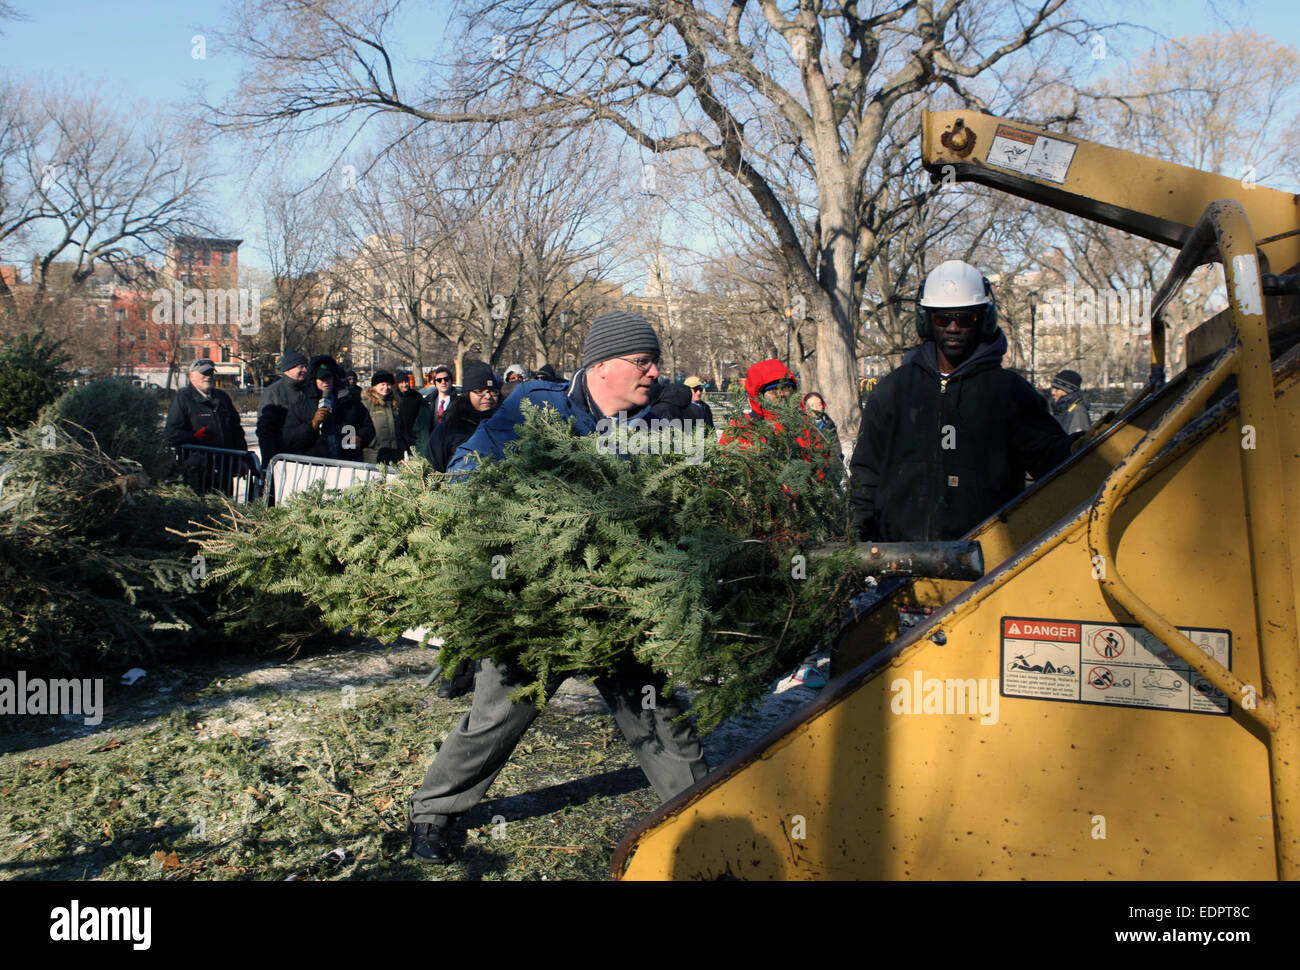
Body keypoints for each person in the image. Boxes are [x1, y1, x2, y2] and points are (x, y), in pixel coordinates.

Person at [409, 310, 710, 864]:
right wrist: (518, 533)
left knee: (656, 711)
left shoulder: (653, 427)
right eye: (642, 362)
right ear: (601, 365)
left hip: (617, 603)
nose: (655, 373)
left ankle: (703, 817)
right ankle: (434, 813)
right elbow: (466, 470)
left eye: (656, 363)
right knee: (498, 712)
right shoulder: (537, 406)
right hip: (536, 601)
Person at [848, 260, 1072, 543]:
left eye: (965, 319)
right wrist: (853, 539)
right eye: (943, 319)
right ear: (926, 321)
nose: (953, 327)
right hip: (901, 565)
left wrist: (1090, 445)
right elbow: (866, 474)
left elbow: (1056, 463)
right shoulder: (893, 390)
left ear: (984, 320)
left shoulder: (1011, 393)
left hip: (988, 565)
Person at [165, 358, 249, 495]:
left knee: (224, 508)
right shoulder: (183, 398)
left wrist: (241, 459)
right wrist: (194, 437)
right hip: (197, 471)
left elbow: (236, 430)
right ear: (191, 376)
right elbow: (171, 434)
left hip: (224, 468)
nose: (208, 377)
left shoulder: (222, 398)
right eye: (204, 373)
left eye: (210, 373)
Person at [423, 360, 501, 474]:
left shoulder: (505, 425)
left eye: (493, 392)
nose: (488, 396)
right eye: (480, 391)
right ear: (467, 394)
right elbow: (433, 467)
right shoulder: (450, 427)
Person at [255, 349, 311, 467]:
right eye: (300, 367)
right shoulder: (273, 392)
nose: (305, 370)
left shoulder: (307, 390)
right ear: (288, 368)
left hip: (305, 458)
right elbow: (265, 430)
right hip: (282, 459)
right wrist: (271, 460)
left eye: (306, 366)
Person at [331, 360, 376, 461]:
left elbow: (369, 427)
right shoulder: (316, 400)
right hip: (321, 459)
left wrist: (360, 437)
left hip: (350, 457)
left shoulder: (354, 403)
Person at [363, 370, 408, 464]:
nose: (386, 387)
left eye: (388, 384)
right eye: (382, 384)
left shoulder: (396, 403)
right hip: (373, 455)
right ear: (375, 386)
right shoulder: (367, 403)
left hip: (395, 455)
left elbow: (402, 428)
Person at [1049, 369, 1092, 434]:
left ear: (1068, 390)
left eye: (1057, 389)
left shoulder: (1078, 411)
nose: (1053, 392)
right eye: (1053, 388)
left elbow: (1079, 441)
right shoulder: (1061, 409)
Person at [395, 371, 424, 452]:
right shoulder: (393, 397)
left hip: (413, 434)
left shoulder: (416, 396)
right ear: (397, 384)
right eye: (401, 382)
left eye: (406, 382)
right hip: (398, 436)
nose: (405, 385)